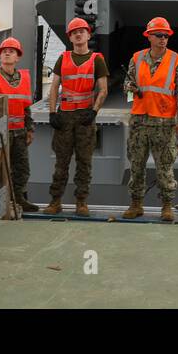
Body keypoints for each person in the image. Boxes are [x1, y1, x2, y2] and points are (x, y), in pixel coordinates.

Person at [121, 16, 178, 222]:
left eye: (166, 35)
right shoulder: (137, 58)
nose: (163, 39)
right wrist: (130, 89)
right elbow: (127, 84)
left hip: (164, 123)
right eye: (159, 35)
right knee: (136, 165)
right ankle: (136, 205)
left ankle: (167, 206)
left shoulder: (177, 61)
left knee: (165, 167)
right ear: (149, 36)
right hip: (140, 122)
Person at [44, 17, 108, 217]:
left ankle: (81, 201)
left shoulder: (97, 59)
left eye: (82, 31)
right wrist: (52, 112)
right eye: (74, 32)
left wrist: (94, 111)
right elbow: (54, 87)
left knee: (84, 161)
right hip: (64, 116)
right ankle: (55, 201)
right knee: (61, 162)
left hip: (84, 118)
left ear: (88, 35)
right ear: (70, 38)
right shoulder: (63, 58)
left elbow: (103, 89)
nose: (78, 34)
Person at [0, 37, 38, 214]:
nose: (7, 53)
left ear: (17, 57)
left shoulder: (24, 78)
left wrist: (30, 129)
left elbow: (26, 106)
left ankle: (19, 199)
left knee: (21, 169)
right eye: (4, 51)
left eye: (11, 51)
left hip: (19, 132)